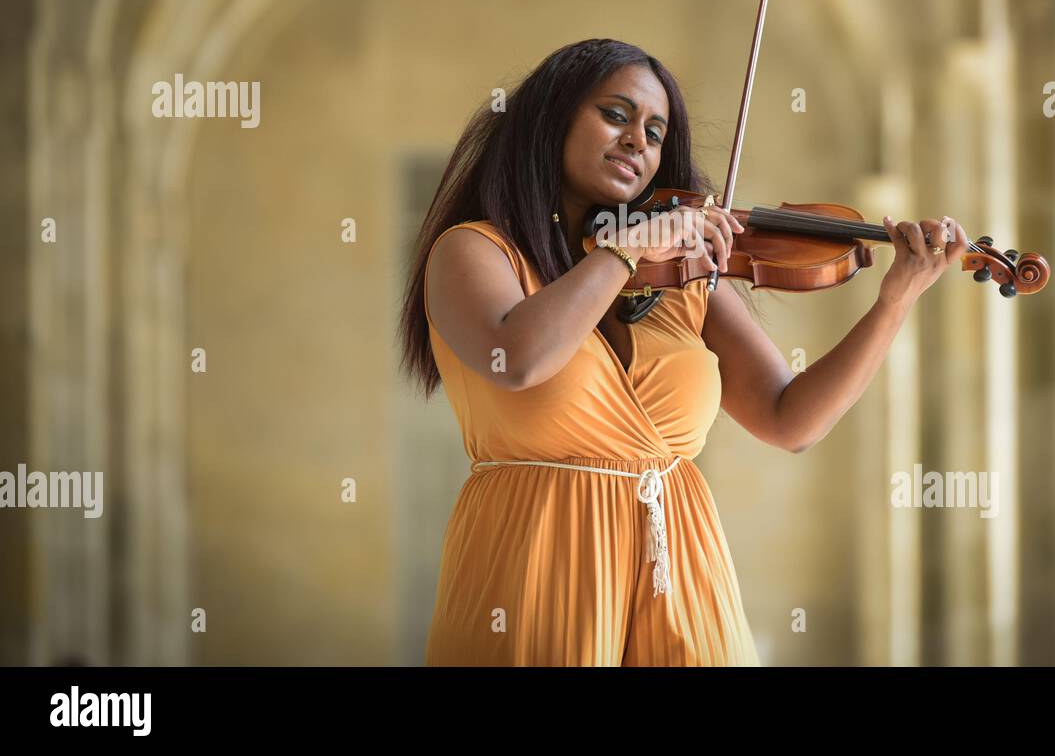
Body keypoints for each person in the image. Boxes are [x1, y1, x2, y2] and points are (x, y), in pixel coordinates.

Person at [398, 37, 966, 665]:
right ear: (551, 119)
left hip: (684, 571)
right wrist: (628, 250)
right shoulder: (472, 251)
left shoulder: (685, 271)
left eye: (656, 130)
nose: (639, 142)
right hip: (533, 566)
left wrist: (894, 302)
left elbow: (791, 420)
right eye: (615, 114)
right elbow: (520, 358)